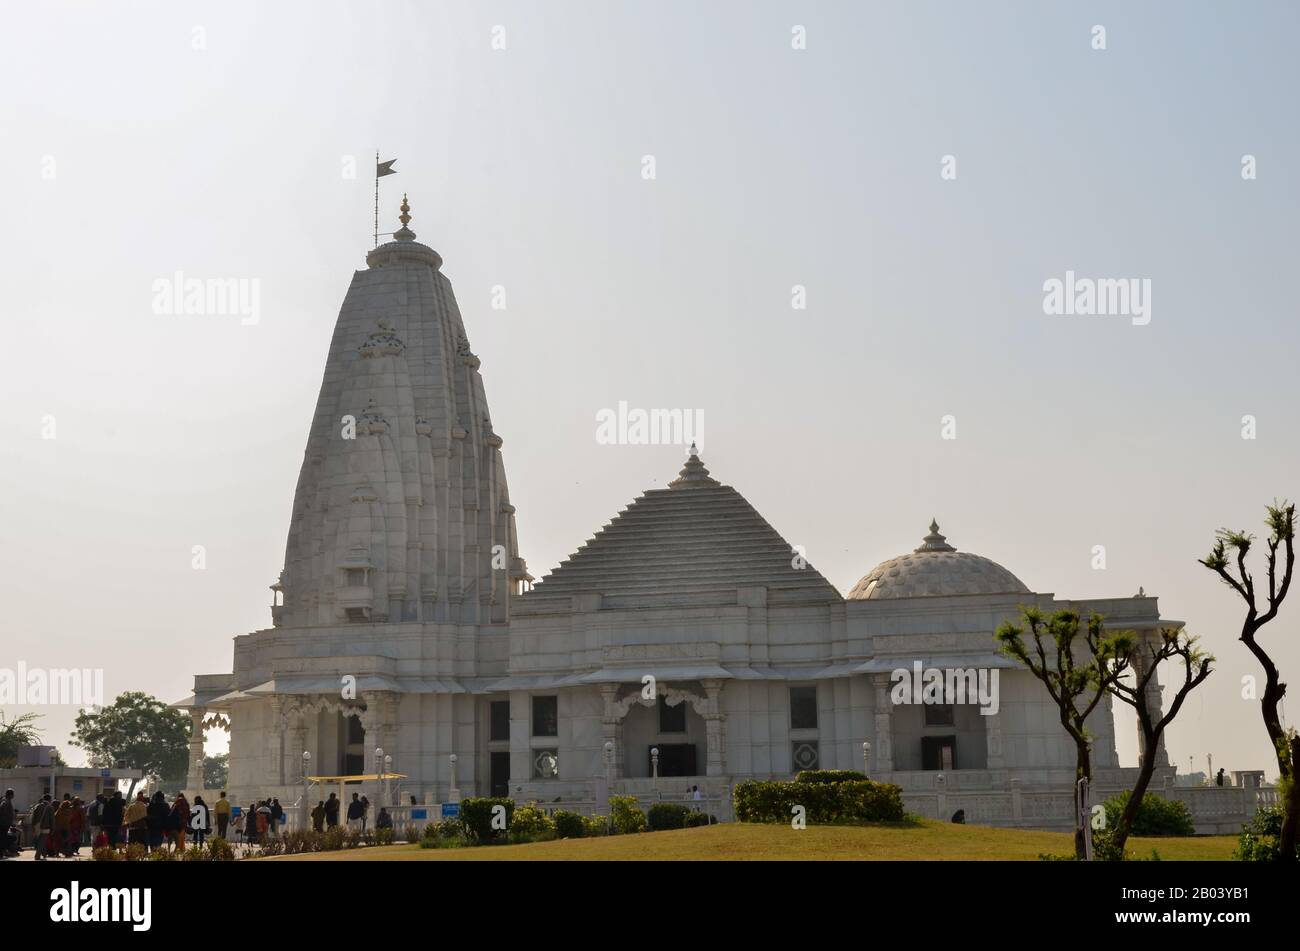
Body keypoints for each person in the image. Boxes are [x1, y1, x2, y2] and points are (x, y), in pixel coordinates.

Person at [0, 789, 17, 858]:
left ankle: (2, 853)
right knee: (3, 839)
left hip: (6, 823)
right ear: (10, 795)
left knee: (3, 838)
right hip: (3, 824)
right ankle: (1, 854)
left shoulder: (7, 801)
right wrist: (7, 818)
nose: (13, 796)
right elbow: (3, 811)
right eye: (13, 794)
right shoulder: (5, 801)